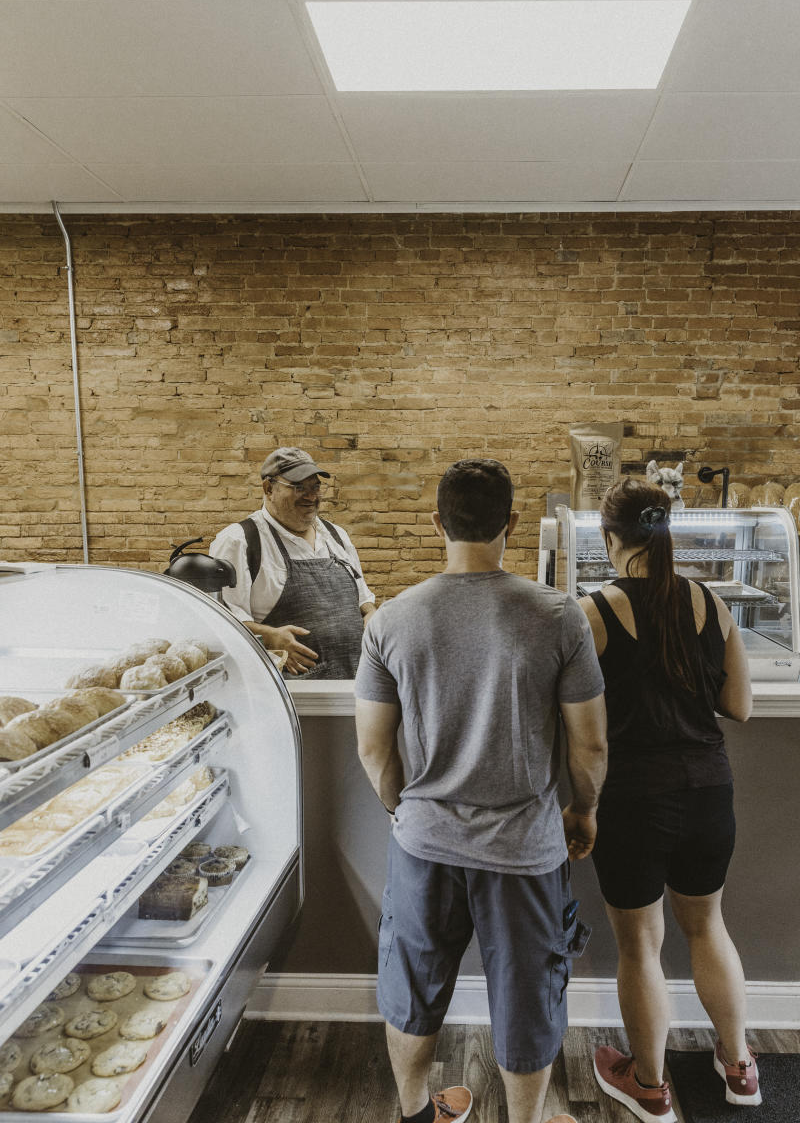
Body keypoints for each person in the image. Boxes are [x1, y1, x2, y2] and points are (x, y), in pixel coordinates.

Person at [354, 458, 607, 1123]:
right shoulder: (557, 616)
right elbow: (591, 744)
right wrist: (583, 809)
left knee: (411, 990)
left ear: (437, 522)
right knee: (529, 996)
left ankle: (415, 1114)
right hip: (524, 849)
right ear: (512, 524)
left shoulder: (391, 620)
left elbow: (374, 747)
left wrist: (400, 809)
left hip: (424, 842)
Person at [579, 478, 757, 1123]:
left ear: (609, 537)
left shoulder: (592, 610)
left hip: (632, 799)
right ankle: (740, 1068)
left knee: (639, 947)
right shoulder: (711, 601)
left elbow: (576, 721)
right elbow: (738, 706)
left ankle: (649, 1086)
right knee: (709, 927)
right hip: (709, 789)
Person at [209, 447, 375, 677]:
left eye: (315, 486)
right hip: (291, 696)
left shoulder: (336, 535)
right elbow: (219, 624)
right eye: (299, 487)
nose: (311, 496)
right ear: (269, 489)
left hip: (353, 686)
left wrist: (371, 613)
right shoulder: (240, 541)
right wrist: (269, 637)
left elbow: (363, 599)